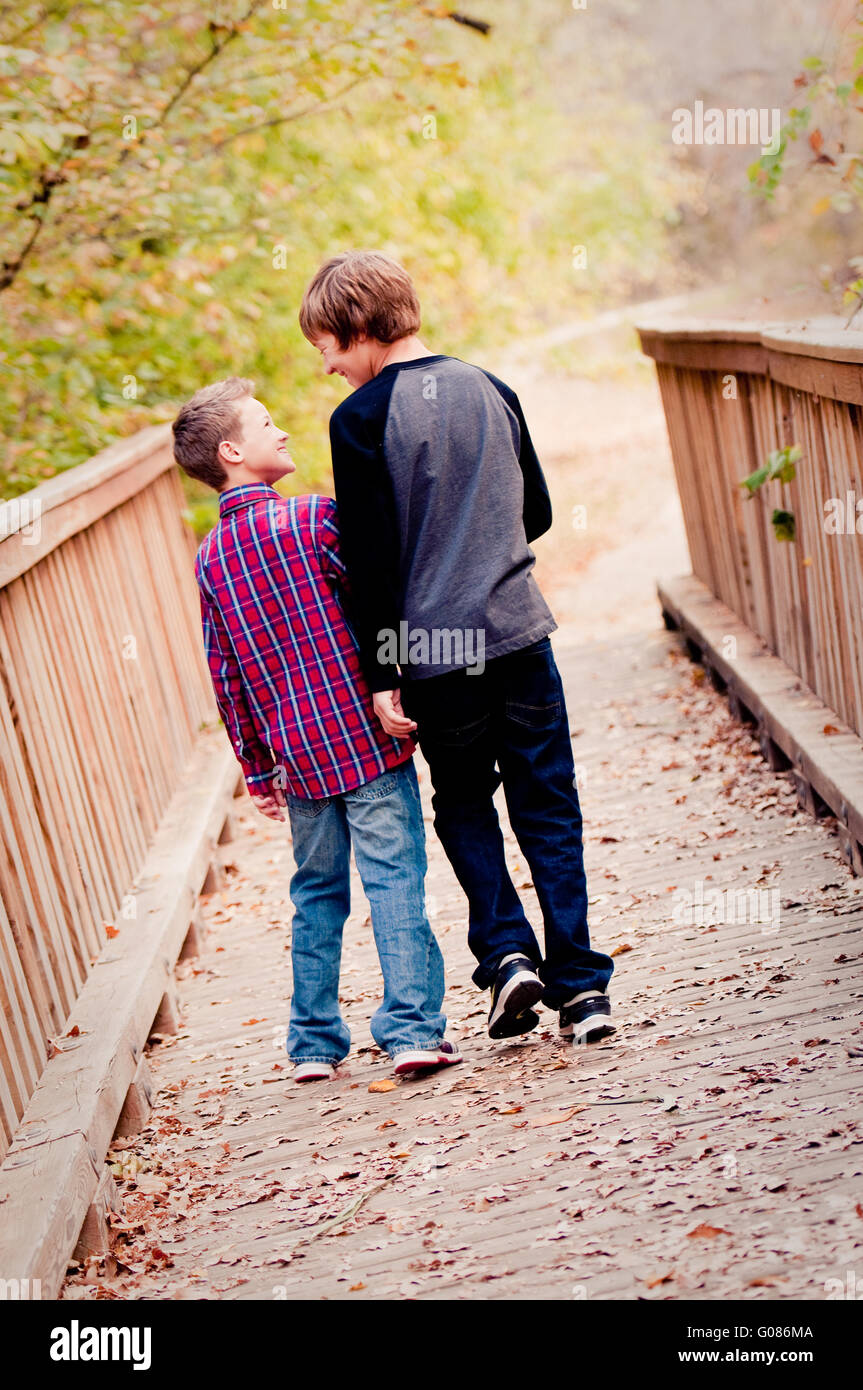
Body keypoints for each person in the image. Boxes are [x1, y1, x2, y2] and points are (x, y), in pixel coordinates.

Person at [299, 251, 616, 1045]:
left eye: (330, 347)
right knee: (548, 806)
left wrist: (381, 674)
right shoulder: (489, 387)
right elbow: (535, 510)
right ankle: (582, 989)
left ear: (362, 328)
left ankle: (508, 957)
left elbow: (370, 565)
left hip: (437, 657)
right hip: (519, 632)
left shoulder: (360, 420)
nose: (330, 366)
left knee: (465, 803)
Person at [171, 377, 461, 1082]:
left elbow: (227, 674)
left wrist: (256, 766)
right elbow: (376, 606)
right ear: (234, 450)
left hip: (298, 760)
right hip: (364, 742)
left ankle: (312, 1043)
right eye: (266, 423)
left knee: (316, 893)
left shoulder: (210, 559)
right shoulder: (312, 520)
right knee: (393, 879)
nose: (283, 432)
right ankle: (412, 1029)